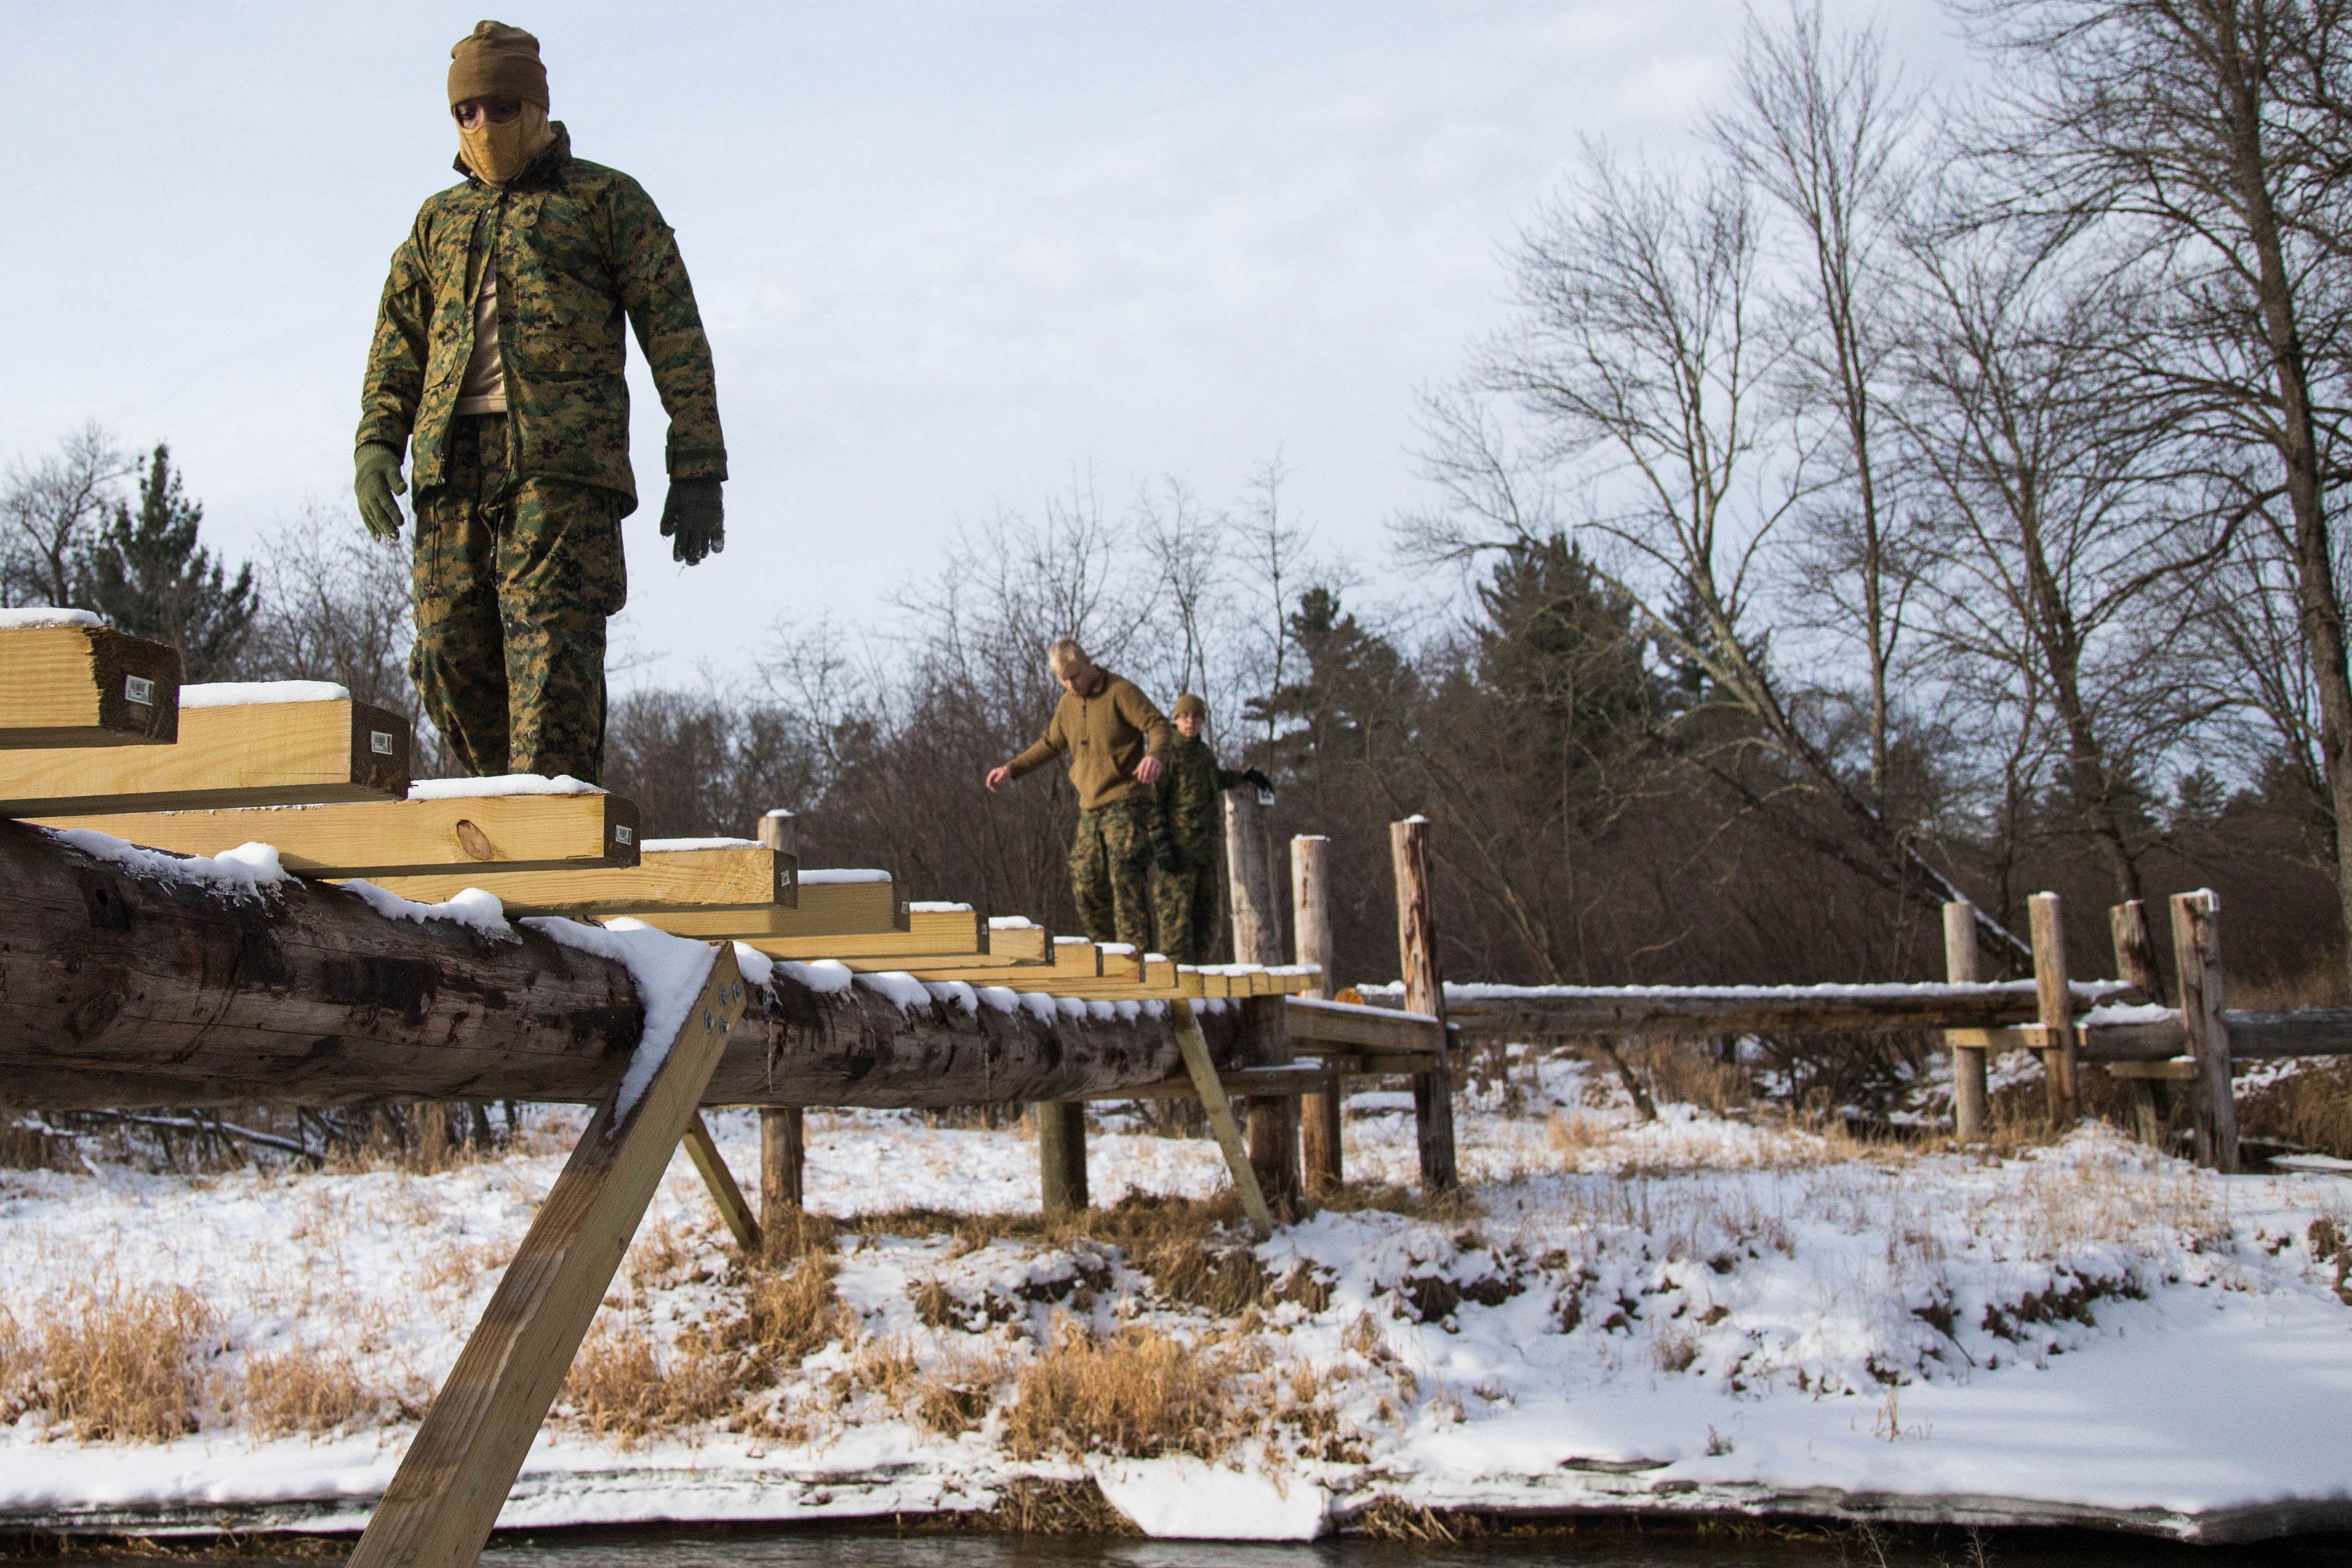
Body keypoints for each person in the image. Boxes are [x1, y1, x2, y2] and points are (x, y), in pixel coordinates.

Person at [353, 20, 727, 783]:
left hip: (562, 471)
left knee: (552, 659)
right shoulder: (438, 221)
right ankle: (508, 812)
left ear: (534, 107)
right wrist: (375, 444)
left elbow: (675, 329)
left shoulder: (605, 201)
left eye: (498, 108)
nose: (482, 126)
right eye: (466, 113)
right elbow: (399, 339)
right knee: (447, 650)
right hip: (452, 473)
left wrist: (696, 463)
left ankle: (549, 836)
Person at [986, 640, 1172, 951]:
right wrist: (1012, 769)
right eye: (1064, 680)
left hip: (1127, 800)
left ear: (1089, 663)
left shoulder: (1120, 692)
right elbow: (1050, 744)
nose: (1072, 685)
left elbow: (1158, 725)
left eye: (1076, 676)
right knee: (1085, 882)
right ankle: (1105, 953)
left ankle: (1135, 959)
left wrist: (1155, 756)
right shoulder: (1068, 705)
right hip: (1091, 807)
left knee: (1124, 878)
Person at [1151, 692, 1273, 964]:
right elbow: (1153, 800)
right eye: (1184, 717)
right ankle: (1176, 994)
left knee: (1207, 925)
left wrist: (1242, 776)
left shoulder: (1203, 754)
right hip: (1178, 855)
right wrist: (1159, 839)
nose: (1190, 722)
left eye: (1196, 717)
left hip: (1204, 854)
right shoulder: (1167, 751)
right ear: (1176, 719)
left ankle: (1200, 988)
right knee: (1176, 928)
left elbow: (1209, 782)